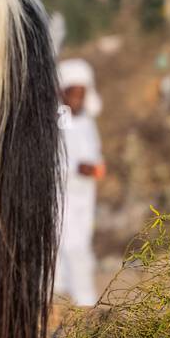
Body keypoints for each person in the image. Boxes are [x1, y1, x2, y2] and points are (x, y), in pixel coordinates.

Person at [55, 58, 105, 307]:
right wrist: (77, 168)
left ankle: (86, 307)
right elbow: (50, 162)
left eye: (81, 94)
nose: (77, 99)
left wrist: (94, 167)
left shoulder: (87, 123)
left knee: (80, 250)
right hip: (58, 199)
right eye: (73, 93)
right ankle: (59, 304)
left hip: (84, 200)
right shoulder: (56, 122)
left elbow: (94, 155)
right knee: (59, 252)